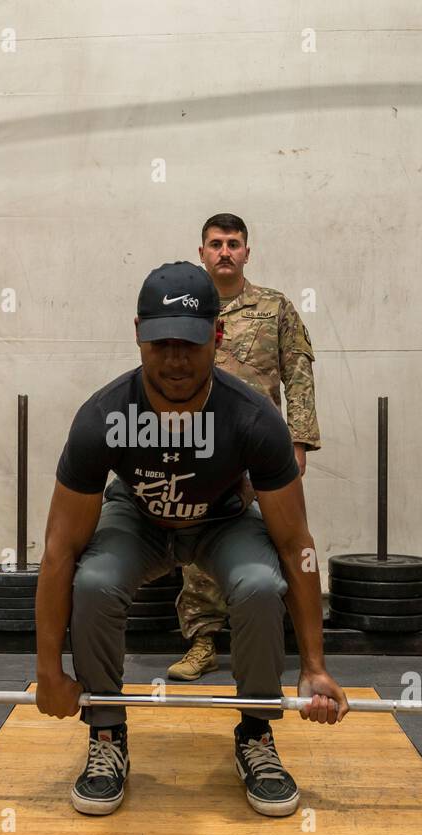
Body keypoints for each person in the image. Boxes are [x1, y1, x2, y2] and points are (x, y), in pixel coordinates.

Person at [34, 260, 347, 818]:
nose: (176, 360)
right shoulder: (102, 417)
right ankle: (105, 734)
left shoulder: (252, 419)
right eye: (161, 344)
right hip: (138, 518)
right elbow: (59, 550)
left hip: (223, 519)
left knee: (257, 584)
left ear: (218, 336)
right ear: (137, 334)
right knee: (97, 580)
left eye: (191, 344)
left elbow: (297, 542)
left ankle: (256, 735)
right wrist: (48, 672)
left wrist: (315, 666)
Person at [168, 213, 321, 682]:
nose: (225, 252)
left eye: (234, 243)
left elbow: (298, 374)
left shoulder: (274, 308)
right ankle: (202, 643)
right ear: (202, 253)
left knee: (284, 541)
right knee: (199, 543)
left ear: (247, 253)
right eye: (216, 243)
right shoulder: (186, 309)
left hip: (262, 449)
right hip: (200, 445)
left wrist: (298, 441)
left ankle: (295, 647)